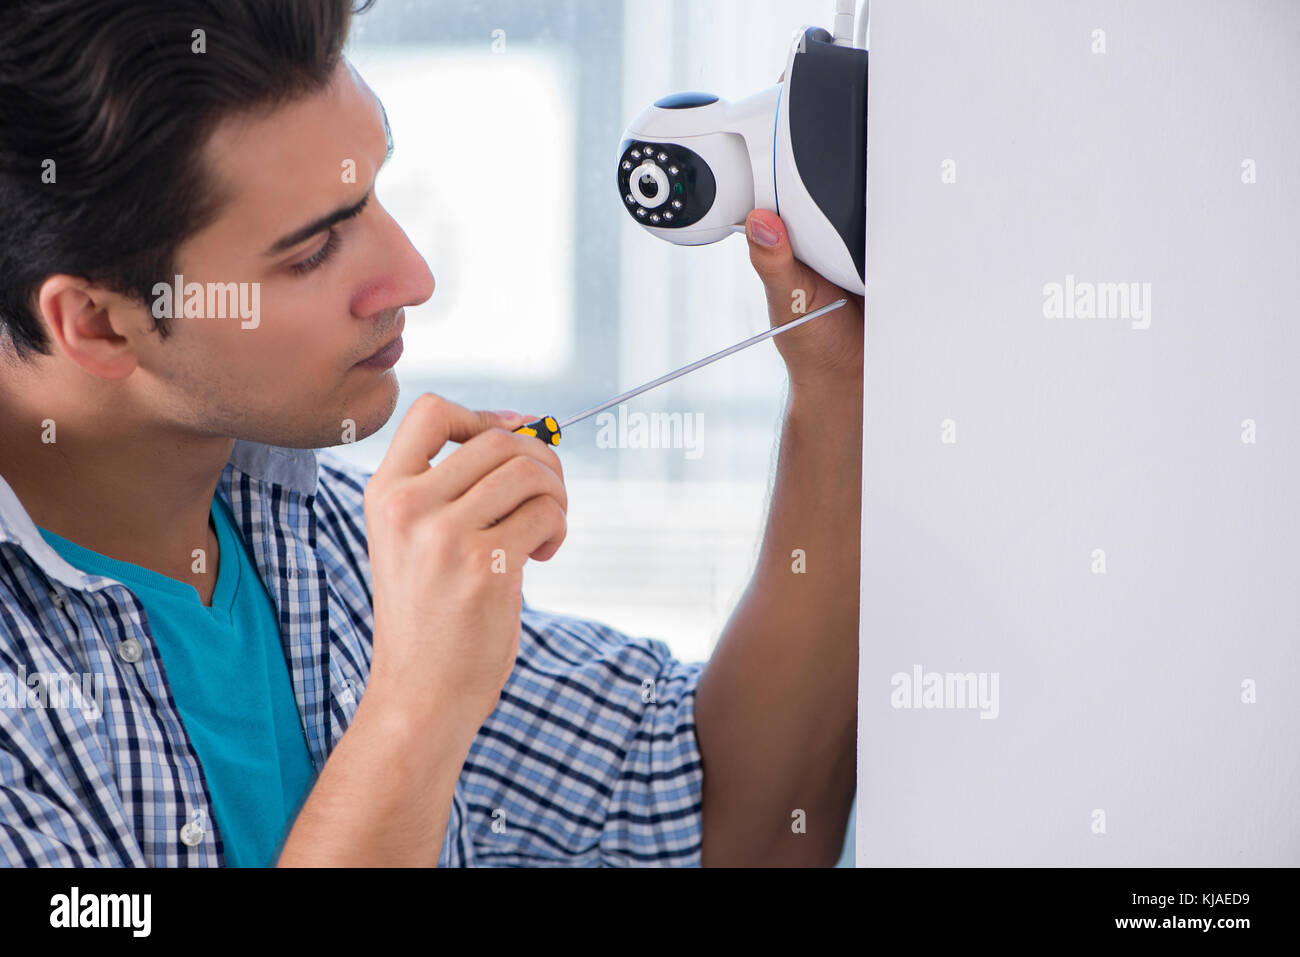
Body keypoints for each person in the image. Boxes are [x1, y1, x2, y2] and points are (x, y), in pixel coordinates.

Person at [0, 0, 863, 867]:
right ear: (100, 325)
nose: (412, 275)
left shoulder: (316, 534)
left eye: (370, 193)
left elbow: (734, 828)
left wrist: (837, 393)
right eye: (310, 252)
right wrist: (417, 706)